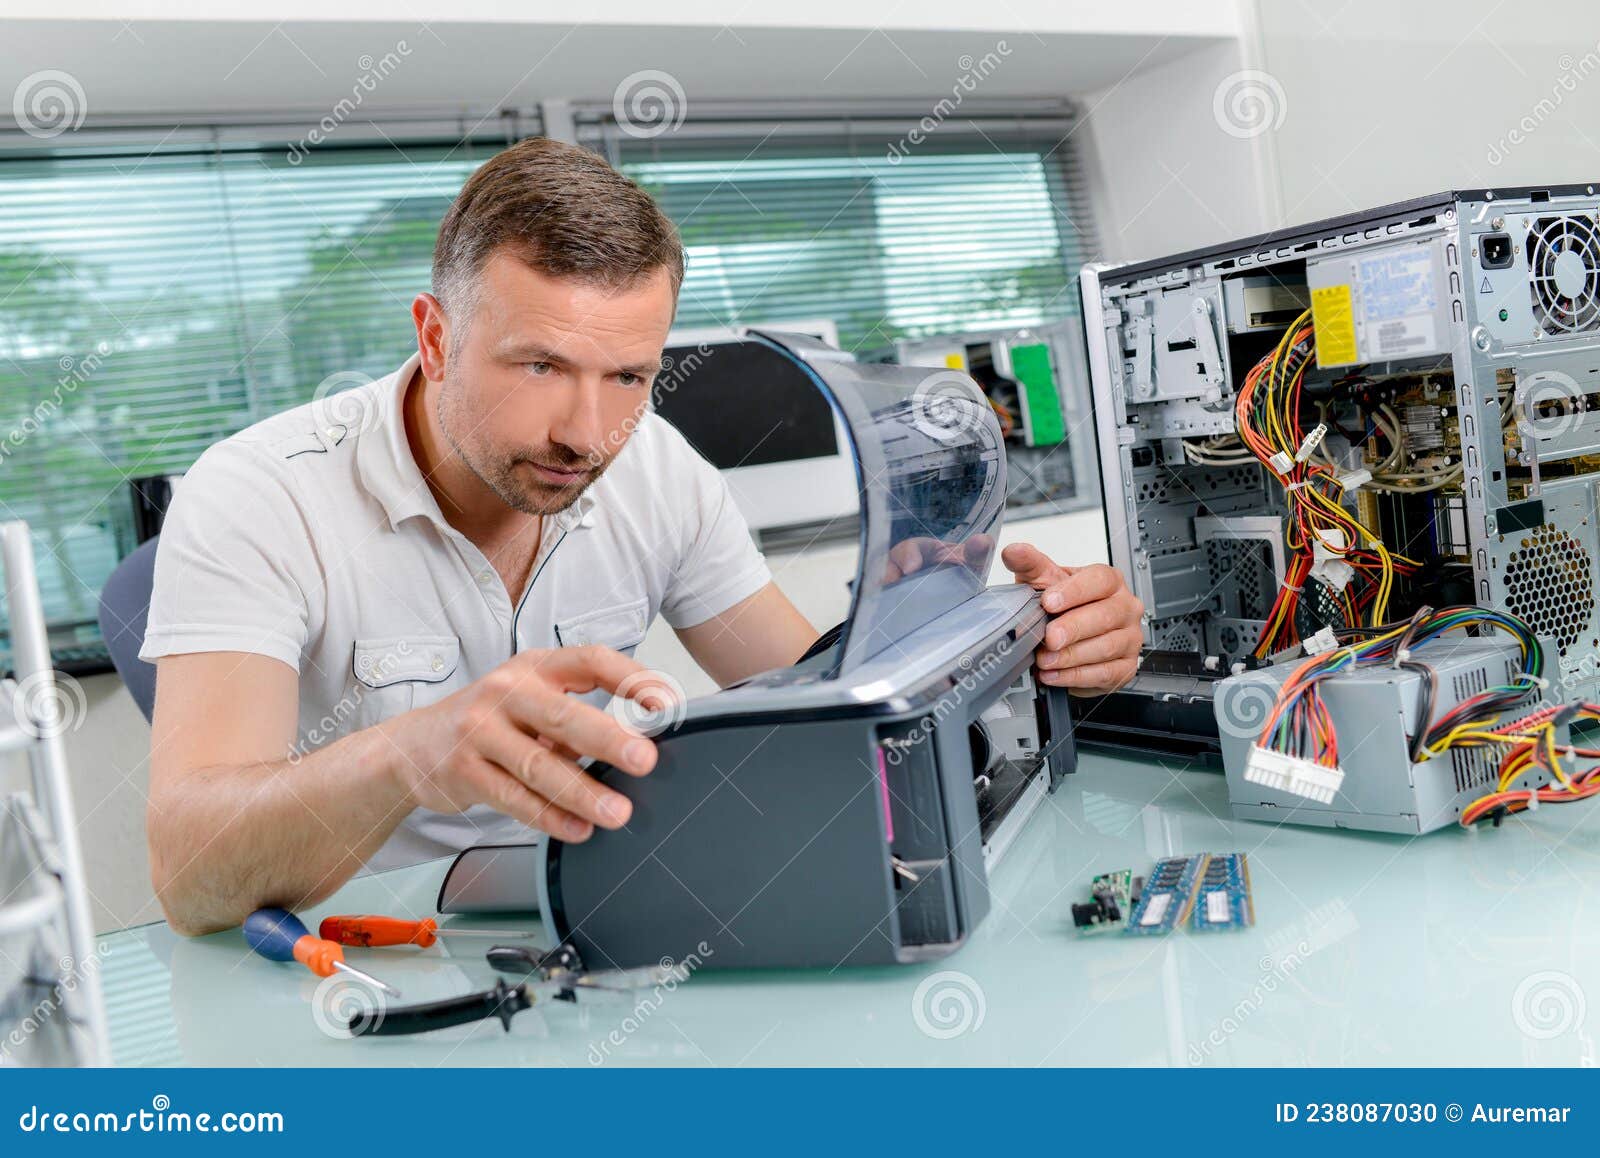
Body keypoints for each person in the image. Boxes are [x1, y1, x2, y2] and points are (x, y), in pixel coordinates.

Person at [142, 137, 1144, 935]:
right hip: (372, 959)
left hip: (609, 913)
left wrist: (998, 636)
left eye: (626, 376)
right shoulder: (257, 496)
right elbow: (190, 877)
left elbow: (818, 702)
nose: (587, 433)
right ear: (436, 337)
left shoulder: (656, 467)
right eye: (539, 367)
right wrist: (407, 755)